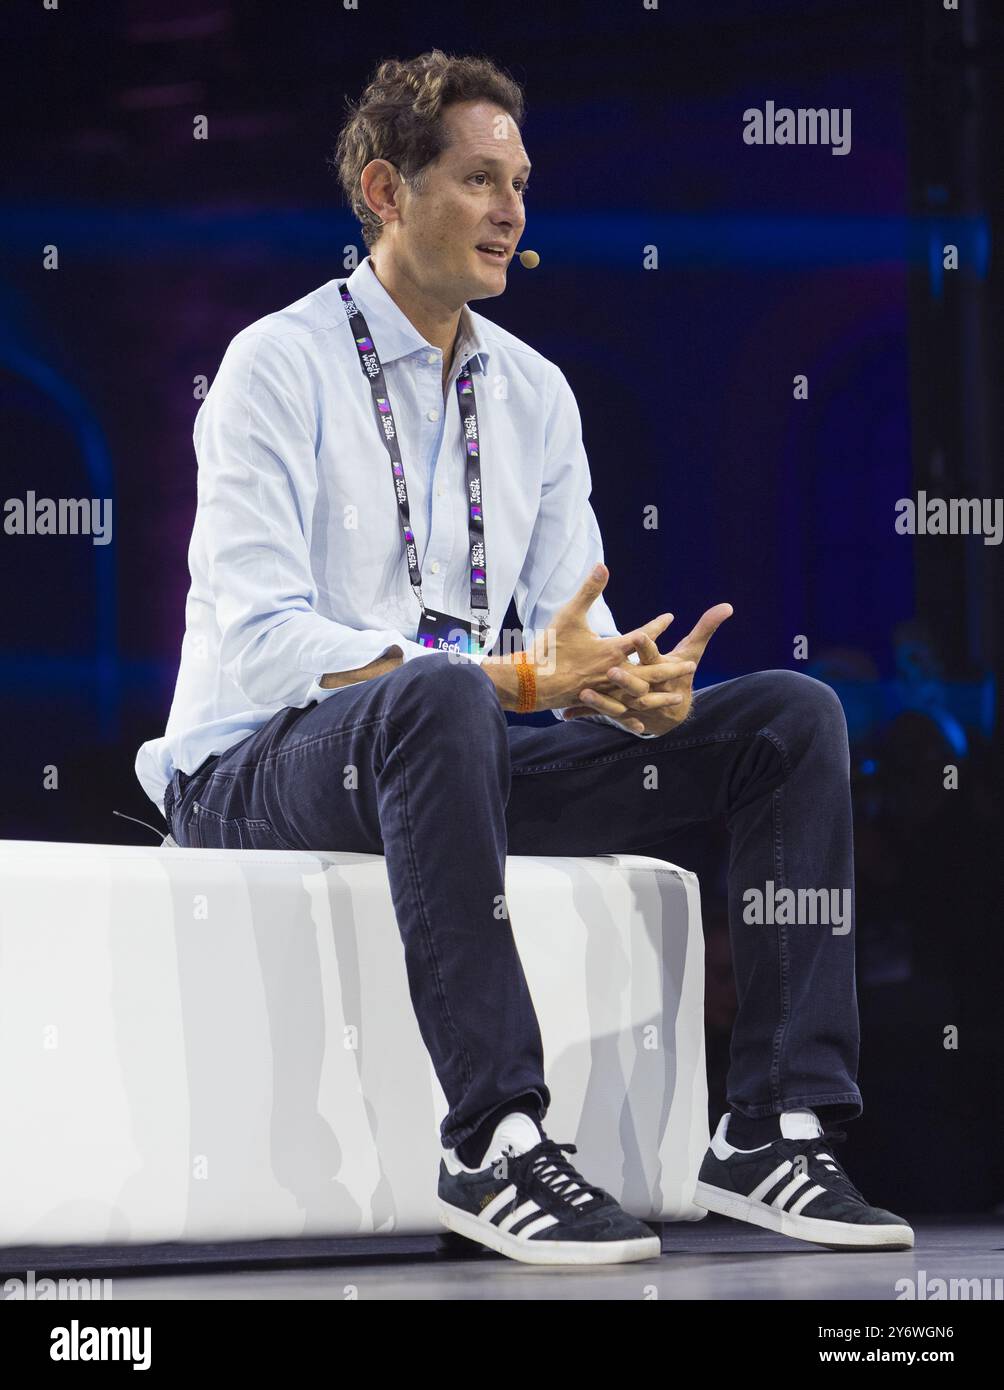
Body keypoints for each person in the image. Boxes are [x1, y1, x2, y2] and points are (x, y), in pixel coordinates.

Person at [136, 49, 913, 1265]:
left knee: (786, 717)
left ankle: (772, 1124)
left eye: (521, 182)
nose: (511, 210)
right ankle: (491, 1140)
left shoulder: (537, 397)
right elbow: (260, 634)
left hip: (466, 752)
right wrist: (506, 683)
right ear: (387, 193)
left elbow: (571, 639)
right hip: (256, 770)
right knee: (438, 692)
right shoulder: (275, 366)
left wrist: (632, 691)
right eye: (479, 180)